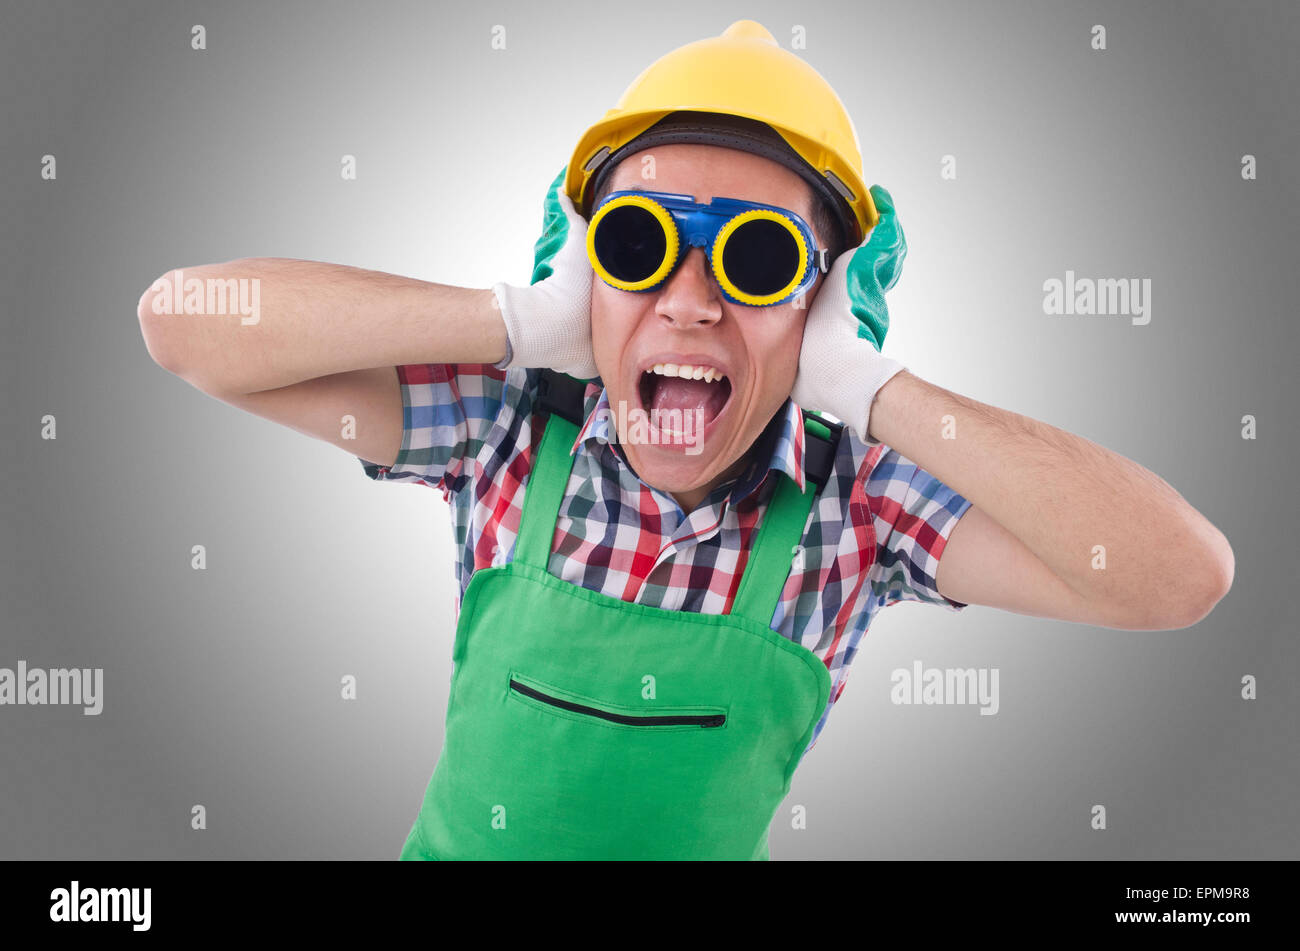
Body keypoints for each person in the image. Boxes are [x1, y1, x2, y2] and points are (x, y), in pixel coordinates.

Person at [136, 20, 1234, 860]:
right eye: (638, 244)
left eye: (757, 261)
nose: (691, 301)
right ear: (583, 269)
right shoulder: (508, 433)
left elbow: (1176, 577)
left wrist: (869, 384)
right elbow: (184, 324)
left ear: (830, 305)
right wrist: (516, 322)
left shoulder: (857, 513)